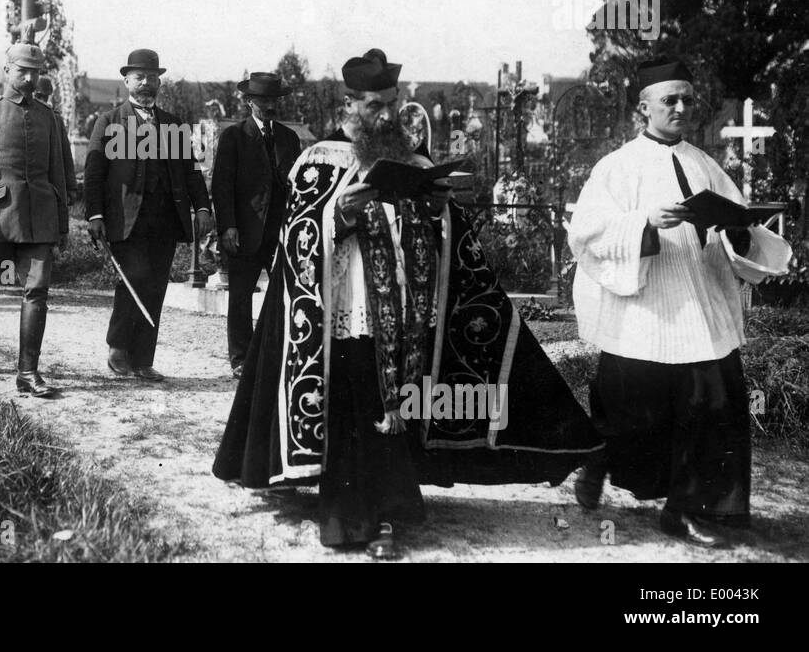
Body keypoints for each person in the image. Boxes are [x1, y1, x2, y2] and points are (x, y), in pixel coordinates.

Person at [213, 48, 601, 557]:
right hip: (348, 315)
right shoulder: (319, 161)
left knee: (392, 414)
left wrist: (439, 210)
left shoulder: (413, 162)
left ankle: (386, 509)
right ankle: (357, 519)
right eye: (375, 105)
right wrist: (340, 218)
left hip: (405, 319)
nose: (386, 115)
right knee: (359, 416)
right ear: (350, 104)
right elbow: (295, 241)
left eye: (391, 104)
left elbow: (440, 247)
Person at [567, 57, 791, 547]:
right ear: (643, 108)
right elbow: (585, 235)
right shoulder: (617, 167)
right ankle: (600, 456)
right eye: (670, 100)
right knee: (634, 411)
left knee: (710, 403)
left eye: (688, 99)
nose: (682, 108)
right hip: (643, 309)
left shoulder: (704, 163)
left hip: (701, 305)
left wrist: (736, 228)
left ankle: (687, 509)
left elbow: (744, 233)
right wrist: (644, 223)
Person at [83, 49, 212, 382]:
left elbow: (192, 172)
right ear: (127, 80)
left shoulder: (173, 125)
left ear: (159, 82)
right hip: (126, 220)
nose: (146, 83)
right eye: (139, 77)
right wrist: (95, 214)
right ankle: (117, 348)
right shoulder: (109, 122)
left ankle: (143, 359)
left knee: (156, 286)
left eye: (152, 77)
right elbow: (95, 174)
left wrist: (202, 207)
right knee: (134, 278)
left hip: (166, 220)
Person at [0, 43, 68, 396]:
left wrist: (61, 224)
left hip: (39, 219)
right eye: (23, 70)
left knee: (37, 291)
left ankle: (28, 372)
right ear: (7, 70)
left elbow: (58, 175)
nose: (30, 77)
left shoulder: (48, 116)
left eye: (35, 71)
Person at [212, 71, 302, 377]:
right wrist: (228, 227)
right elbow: (222, 186)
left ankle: (277, 356)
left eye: (273, 99)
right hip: (245, 232)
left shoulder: (289, 139)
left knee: (283, 296)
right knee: (240, 296)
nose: (269, 105)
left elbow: (299, 185)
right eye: (262, 99)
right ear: (249, 101)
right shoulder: (234, 137)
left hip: (281, 232)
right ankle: (240, 358)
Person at [36, 74, 78, 201]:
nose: (42, 100)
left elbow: (66, 155)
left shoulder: (56, 119)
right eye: (38, 96)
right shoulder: (22, 117)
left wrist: (71, 188)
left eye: (45, 97)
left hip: (51, 183)